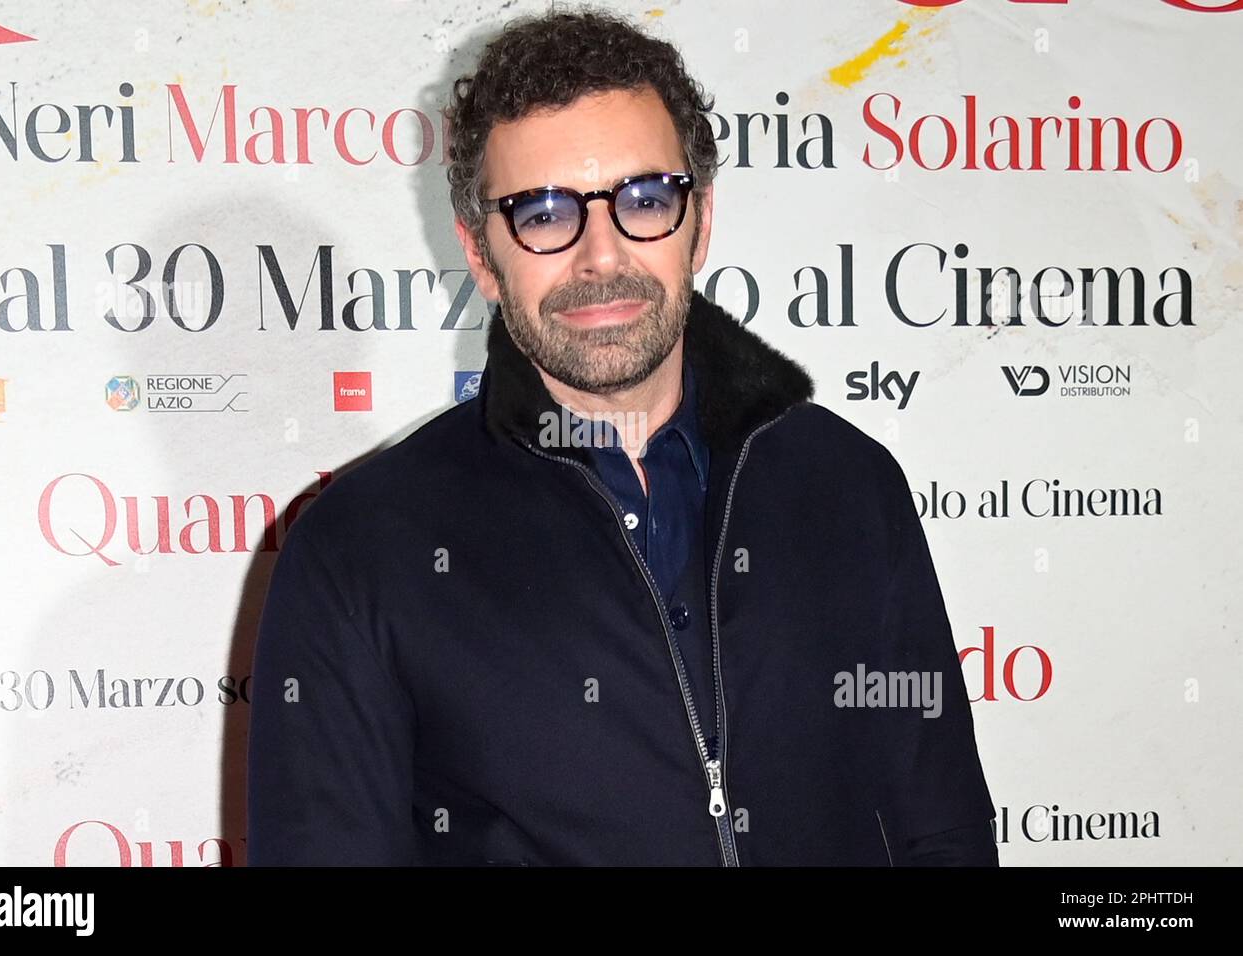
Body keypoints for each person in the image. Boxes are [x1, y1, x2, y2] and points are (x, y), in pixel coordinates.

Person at [246, 6, 997, 866]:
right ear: (482, 254)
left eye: (645, 199)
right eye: (544, 213)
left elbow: (943, 829)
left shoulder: (849, 483)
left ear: (700, 222)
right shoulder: (361, 550)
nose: (601, 255)